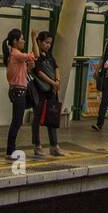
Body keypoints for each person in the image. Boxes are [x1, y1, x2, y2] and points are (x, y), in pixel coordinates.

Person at [2, 28, 36, 159]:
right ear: (15, 41)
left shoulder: (15, 55)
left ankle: (11, 149)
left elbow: (24, 71)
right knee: (16, 122)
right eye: (22, 39)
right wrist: (34, 38)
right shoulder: (16, 54)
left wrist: (30, 67)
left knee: (17, 121)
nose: (24, 41)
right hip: (18, 92)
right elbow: (34, 55)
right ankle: (10, 150)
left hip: (19, 91)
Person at [30, 30, 64, 158]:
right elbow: (39, 72)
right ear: (39, 42)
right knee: (37, 118)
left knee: (52, 117)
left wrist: (58, 81)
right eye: (46, 42)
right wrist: (52, 83)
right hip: (40, 91)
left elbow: (56, 68)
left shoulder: (50, 56)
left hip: (52, 91)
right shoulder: (36, 56)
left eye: (50, 43)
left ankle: (54, 146)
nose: (48, 45)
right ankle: (37, 145)